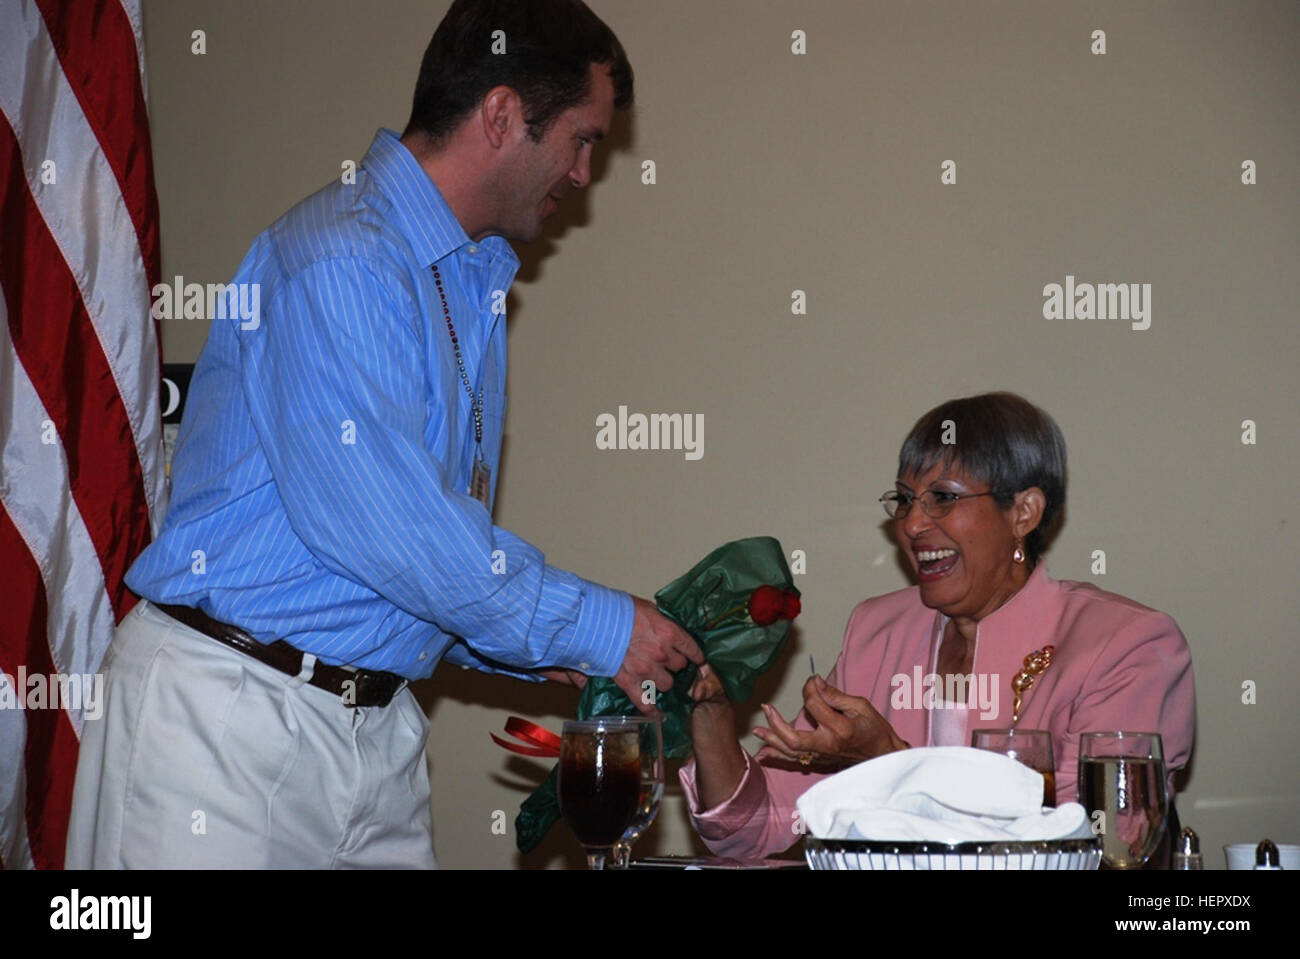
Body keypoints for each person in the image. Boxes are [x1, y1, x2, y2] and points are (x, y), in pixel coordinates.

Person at [66, 0, 701, 869]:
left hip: (376, 733)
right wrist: (593, 625)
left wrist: (538, 645)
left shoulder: (464, 274)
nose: (586, 173)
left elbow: (401, 558)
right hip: (227, 727)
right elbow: (391, 527)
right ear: (504, 114)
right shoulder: (344, 256)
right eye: (583, 139)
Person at [683, 392, 1195, 860]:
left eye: (943, 498)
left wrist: (885, 759)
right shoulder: (876, 632)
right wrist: (711, 712)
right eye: (905, 499)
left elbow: (1099, 841)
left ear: (1024, 511)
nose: (910, 523)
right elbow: (757, 829)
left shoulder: (1125, 645)